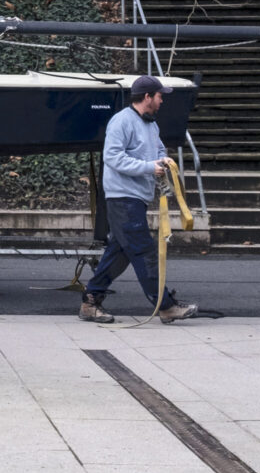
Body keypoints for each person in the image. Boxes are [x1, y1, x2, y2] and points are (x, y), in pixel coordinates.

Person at [79, 75, 202, 324]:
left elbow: (158, 149)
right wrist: (148, 167)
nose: (162, 101)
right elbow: (112, 157)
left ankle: (90, 301)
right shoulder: (121, 121)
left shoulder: (151, 124)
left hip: (134, 197)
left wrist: (163, 160)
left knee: (121, 252)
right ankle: (165, 306)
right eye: (159, 96)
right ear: (147, 97)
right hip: (122, 197)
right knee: (145, 251)